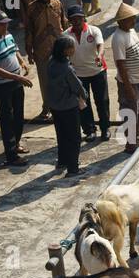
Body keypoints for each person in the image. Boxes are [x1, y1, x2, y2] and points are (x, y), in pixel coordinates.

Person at [0, 11, 32, 167]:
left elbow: (14, 48)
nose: (6, 26)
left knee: (19, 115)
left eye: (6, 24)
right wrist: (18, 77)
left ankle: (16, 144)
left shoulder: (8, 34)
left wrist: (22, 61)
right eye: (3, 24)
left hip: (16, 81)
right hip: (2, 86)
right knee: (7, 119)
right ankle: (11, 156)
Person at [64, 6, 111, 145]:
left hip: (97, 71)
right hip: (78, 74)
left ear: (84, 18)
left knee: (102, 101)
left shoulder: (94, 30)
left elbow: (100, 45)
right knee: (83, 104)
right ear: (70, 20)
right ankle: (89, 130)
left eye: (79, 17)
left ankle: (105, 128)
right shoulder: (66, 35)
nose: (77, 21)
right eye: (73, 19)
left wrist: (99, 55)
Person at [46, 37, 87, 177]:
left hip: (55, 106)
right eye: (72, 47)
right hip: (68, 107)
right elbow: (78, 87)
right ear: (65, 51)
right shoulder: (67, 68)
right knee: (74, 138)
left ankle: (62, 161)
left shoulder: (51, 62)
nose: (74, 49)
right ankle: (73, 168)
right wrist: (84, 96)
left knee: (62, 135)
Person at [112, 3, 139, 149]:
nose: (133, 21)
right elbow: (120, 65)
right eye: (130, 19)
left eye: (133, 18)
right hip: (130, 82)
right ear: (121, 21)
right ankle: (131, 144)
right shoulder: (118, 38)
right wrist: (128, 88)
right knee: (130, 113)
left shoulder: (131, 31)